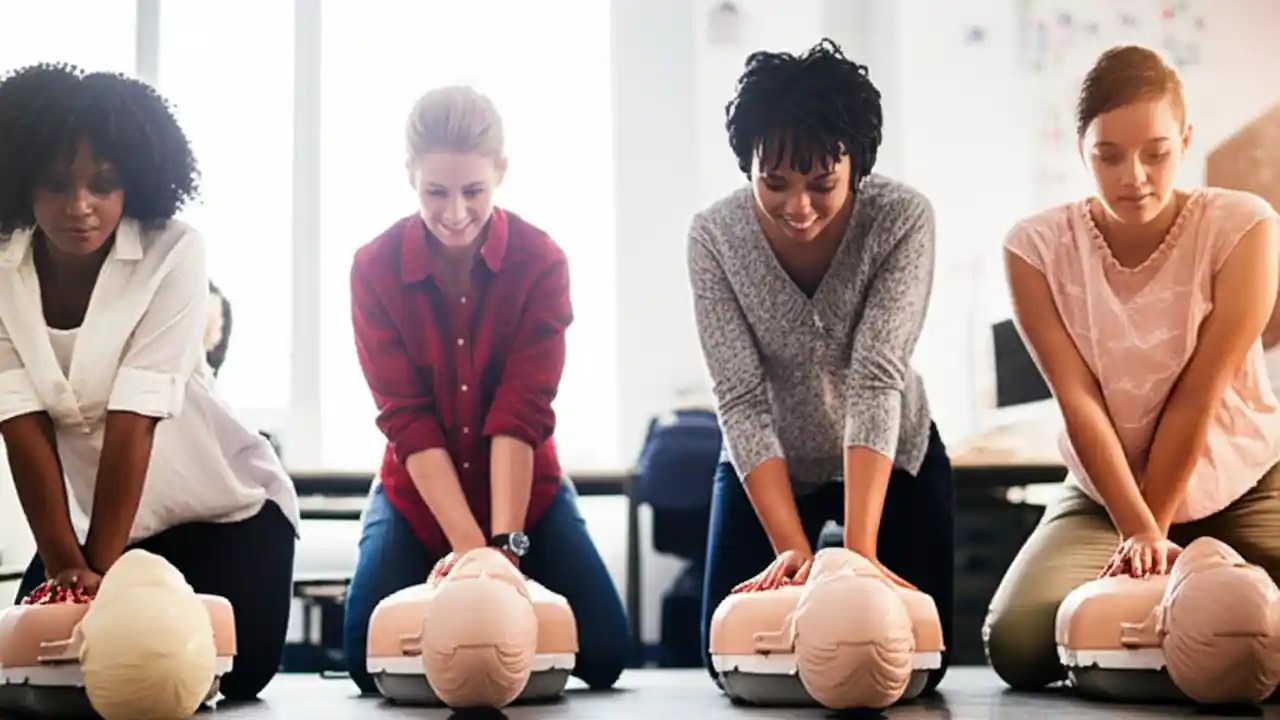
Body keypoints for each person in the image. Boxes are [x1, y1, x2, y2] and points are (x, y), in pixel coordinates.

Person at [0, 63, 300, 700]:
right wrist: (66, 572)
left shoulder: (175, 252)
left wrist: (97, 579)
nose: (80, 207)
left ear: (132, 183)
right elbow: (20, 428)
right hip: (102, 531)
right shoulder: (2, 270)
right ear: (22, 182)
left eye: (103, 185)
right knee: (32, 676)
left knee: (205, 677)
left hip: (225, 519)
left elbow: (133, 425)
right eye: (56, 185)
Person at [984, 44, 1280, 690]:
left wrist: (1155, 536)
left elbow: (1200, 392)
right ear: (1081, 149)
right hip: (1104, 492)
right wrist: (1140, 530)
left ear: (1186, 138)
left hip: (1241, 477)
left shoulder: (1247, 226)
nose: (1135, 176)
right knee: (1017, 643)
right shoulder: (1033, 248)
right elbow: (1077, 398)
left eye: (1157, 152)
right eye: (1108, 155)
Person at [342, 85, 628, 694]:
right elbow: (407, 420)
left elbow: (520, 415)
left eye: (474, 191)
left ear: (501, 172)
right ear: (409, 177)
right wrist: (479, 565)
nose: (454, 213)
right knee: (366, 661)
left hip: (526, 495)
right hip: (418, 492)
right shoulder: (373, 267)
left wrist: (504, 550)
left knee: (602, 653)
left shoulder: (541, 261)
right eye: (435, 192)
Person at [688, 39, 955, 690]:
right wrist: (793, 552)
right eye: (774, 184)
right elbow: (741, 399)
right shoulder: (715, 237)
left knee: (912, 652)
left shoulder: (902, 219)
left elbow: (876, 378)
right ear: (747, 165)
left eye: (822, 184)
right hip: (770, 455)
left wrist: (855, 563)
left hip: (889, 454)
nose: (798, 207)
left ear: (856, 167)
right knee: (732, 655)